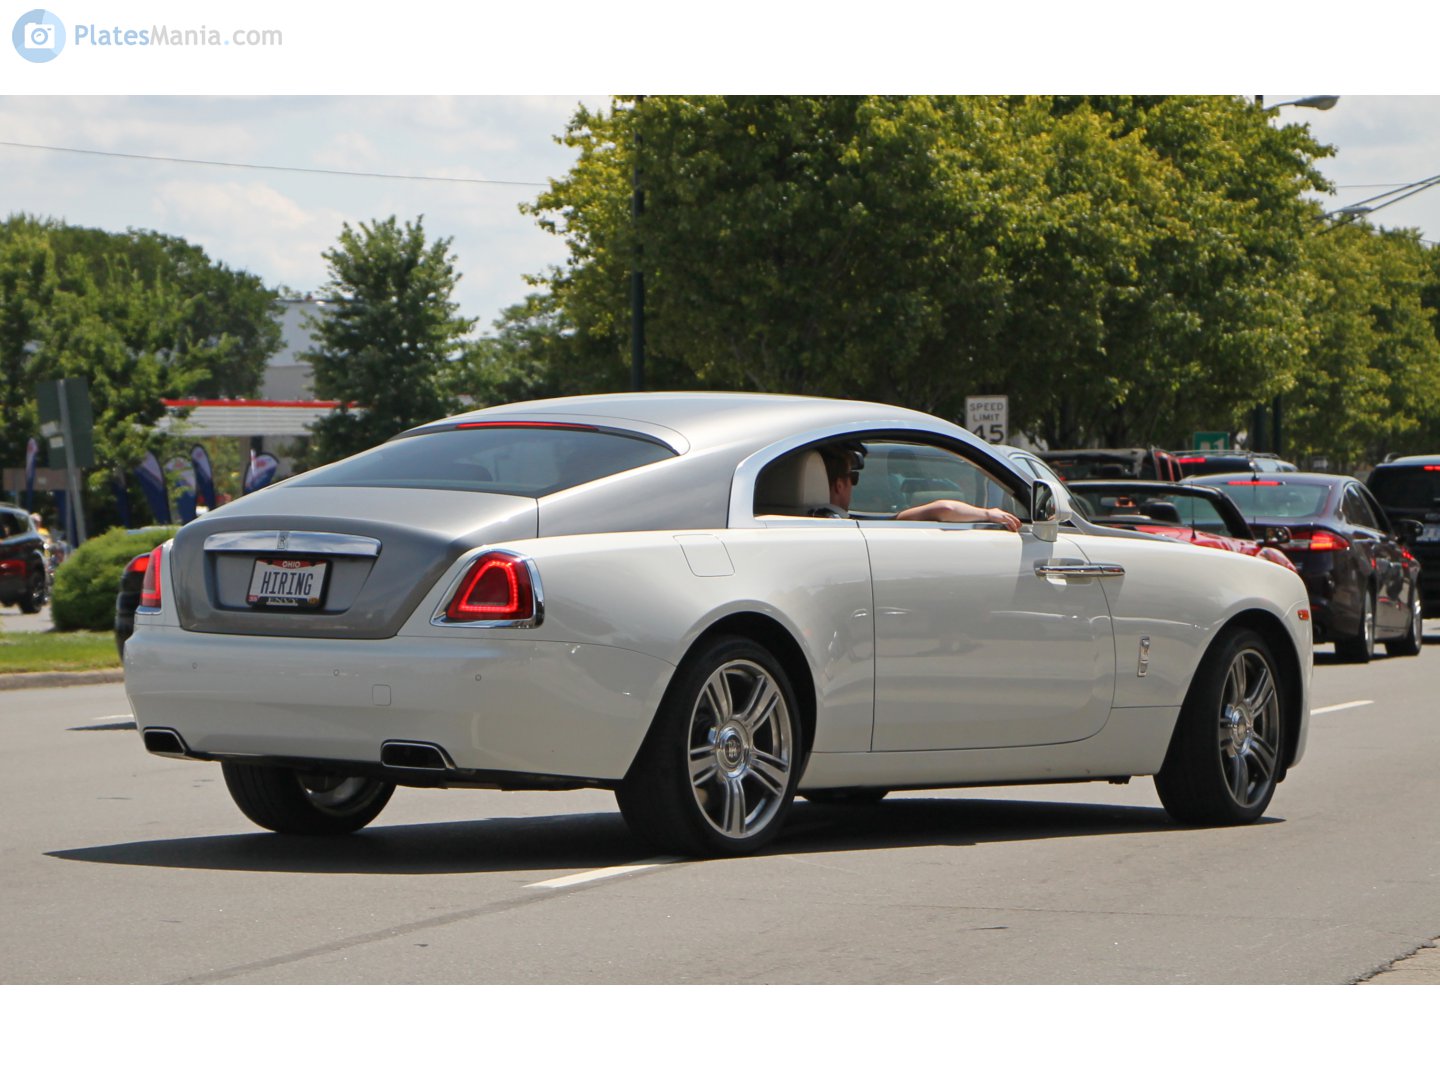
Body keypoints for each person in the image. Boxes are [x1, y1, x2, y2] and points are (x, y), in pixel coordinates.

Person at [818, 445, 1022, 530]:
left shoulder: (799, 520)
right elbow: (946, 509)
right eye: (854, 478)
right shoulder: (877, 524)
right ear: (838, 485)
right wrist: (987, 513)